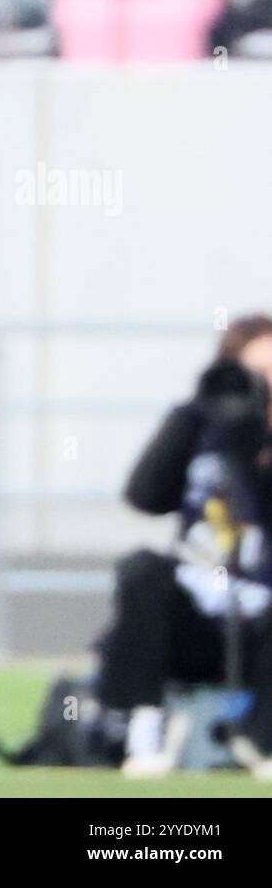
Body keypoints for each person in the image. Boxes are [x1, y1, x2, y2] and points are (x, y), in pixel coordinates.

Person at [98, 314, 272, 776]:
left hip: (263, 625)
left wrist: (257, 451)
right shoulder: (199, 425)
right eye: (253, 377)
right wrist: (196, 414)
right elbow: (144, 495)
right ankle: (143, 725)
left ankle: (261, 741)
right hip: (196, 617)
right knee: (141, 569)